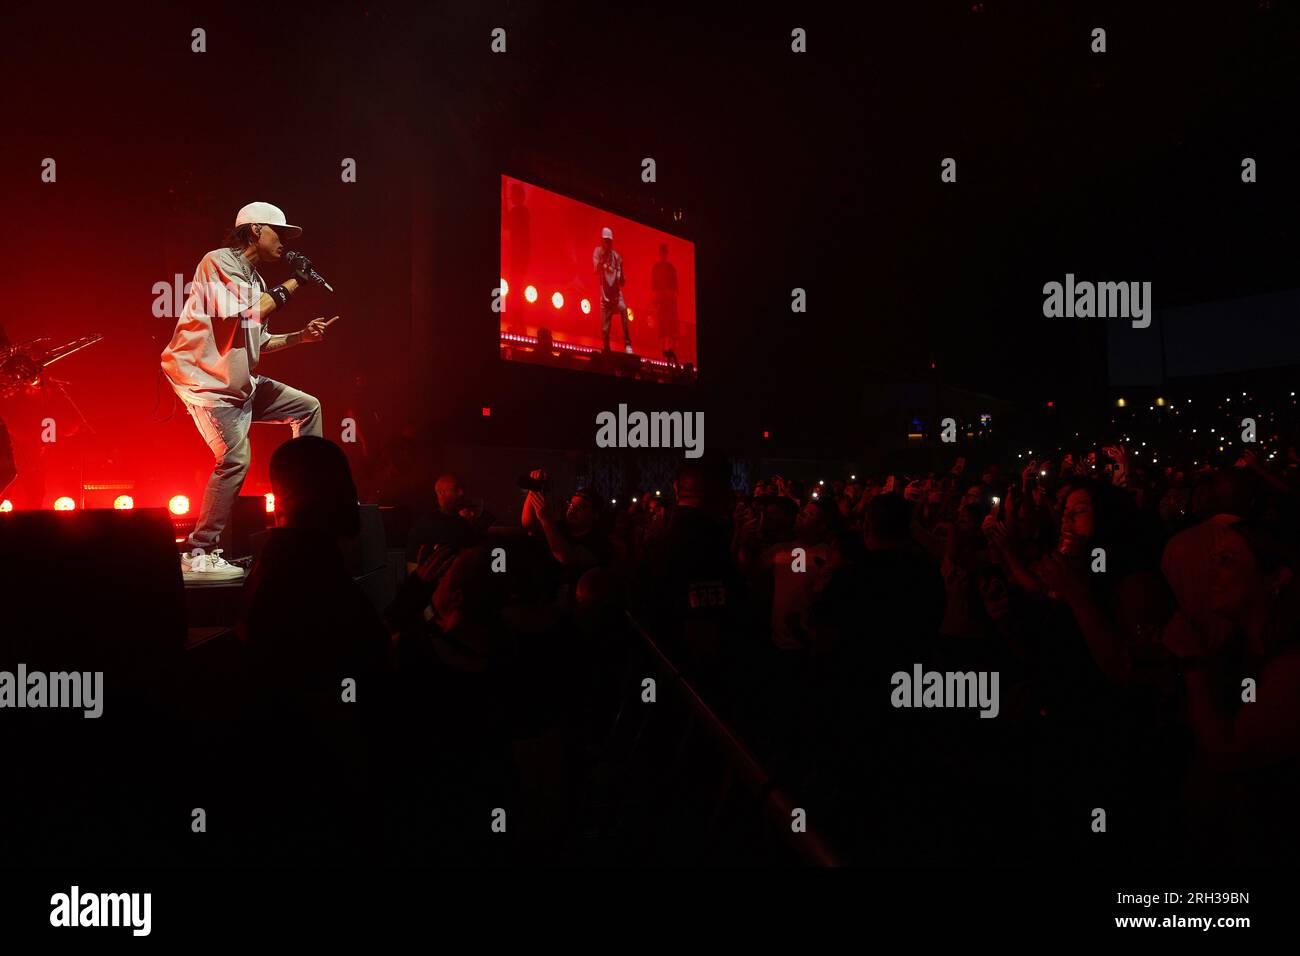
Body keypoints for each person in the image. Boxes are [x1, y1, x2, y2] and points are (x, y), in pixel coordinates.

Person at [161, 201, 340, 582]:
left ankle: (306, 511)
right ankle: (197, 552)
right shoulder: (218, 262)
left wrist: (301, 337)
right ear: (256, 230)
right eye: (282, 233)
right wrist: (297, 281)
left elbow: (259, 337)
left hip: (239, 383)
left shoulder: (256, 281)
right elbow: (250, 313)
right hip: (208, 384)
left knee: (308, 407)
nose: (286, 241)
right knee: (235, 458)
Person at [236, 436, 390, 862]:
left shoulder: (286, 566)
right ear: (325, 492)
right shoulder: (306, 579)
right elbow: (336, 707)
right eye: (345, 482)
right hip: (321, 814)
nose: (354, 495)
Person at [593, 227, 632, 354]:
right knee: (605, 331)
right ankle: (607, 351)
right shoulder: (598, 252)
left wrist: (622, 275)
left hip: (616, 297)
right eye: (605, 240)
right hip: (605, 298)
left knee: (624, 310)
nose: (607, 243)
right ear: (601, 241)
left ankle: (627, 344)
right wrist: (603, 259)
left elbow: (622, 281)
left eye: (609, 241)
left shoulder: (617, 257)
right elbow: (596, 270)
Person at [650, 242, 679, 363]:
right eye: (662, 251)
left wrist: (668, 293)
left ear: (666, 253)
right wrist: (656, 300)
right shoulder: (656, 268)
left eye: (664, 251)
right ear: (660, 253)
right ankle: (661, 353)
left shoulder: (671, 269)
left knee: (670, 329)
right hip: (661, 301)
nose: (663, 254)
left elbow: (675, 289)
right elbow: (654, 287)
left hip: (670, 302)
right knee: (662, 328)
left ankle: (670, 354)